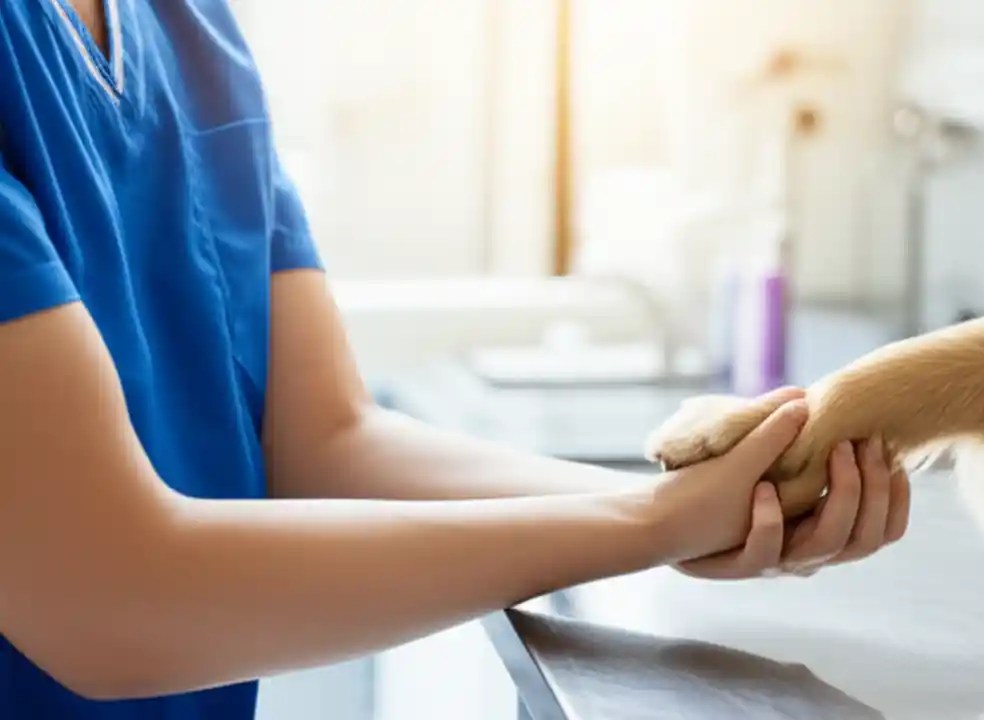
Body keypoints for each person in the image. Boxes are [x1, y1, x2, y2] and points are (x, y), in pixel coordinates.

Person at [0, 1, 912, 717]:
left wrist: (708, 508)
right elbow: (106, 589)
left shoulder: (190, 28)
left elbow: (326, 439)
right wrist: (648, 525)